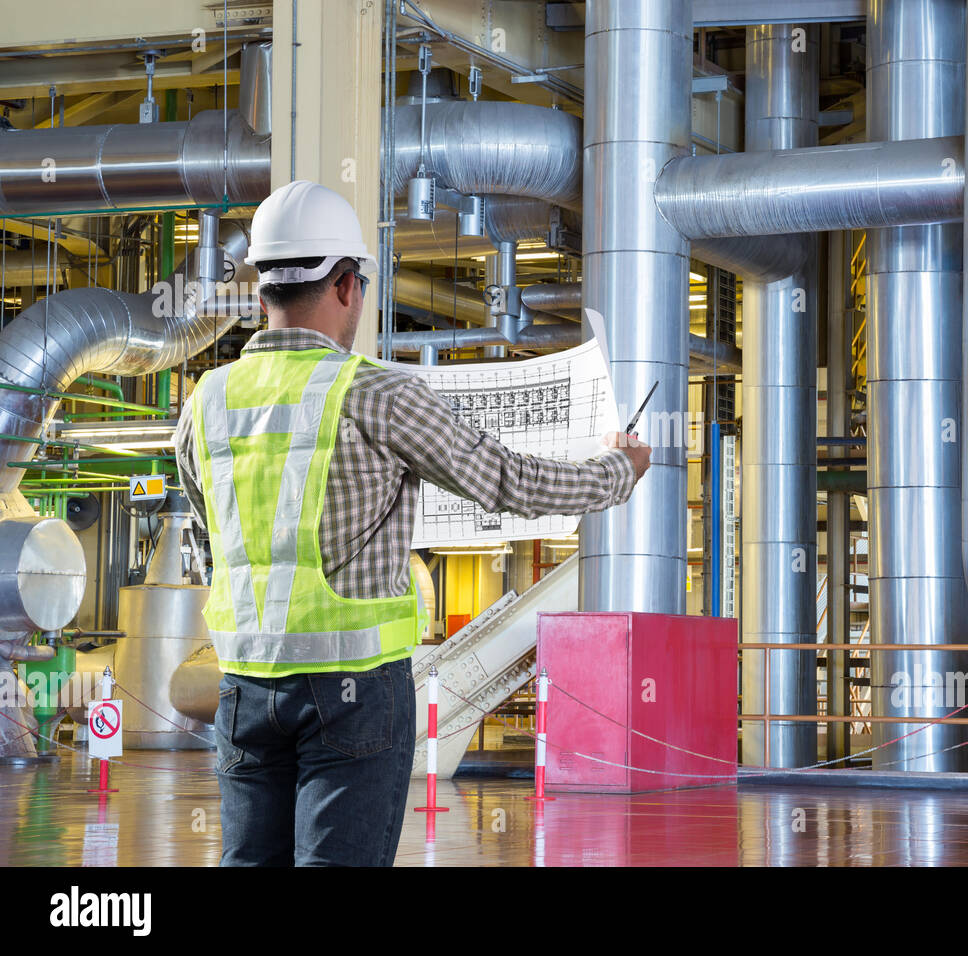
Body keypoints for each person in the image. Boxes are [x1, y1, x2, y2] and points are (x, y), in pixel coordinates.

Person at [174, 180, 650, 866]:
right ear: (345, 285)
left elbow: (211, 537)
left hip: (246, 689)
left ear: (261, 291)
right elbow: (505, 480)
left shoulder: (205, 403)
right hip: (354, 691)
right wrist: (617, 473)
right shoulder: (378, 394)